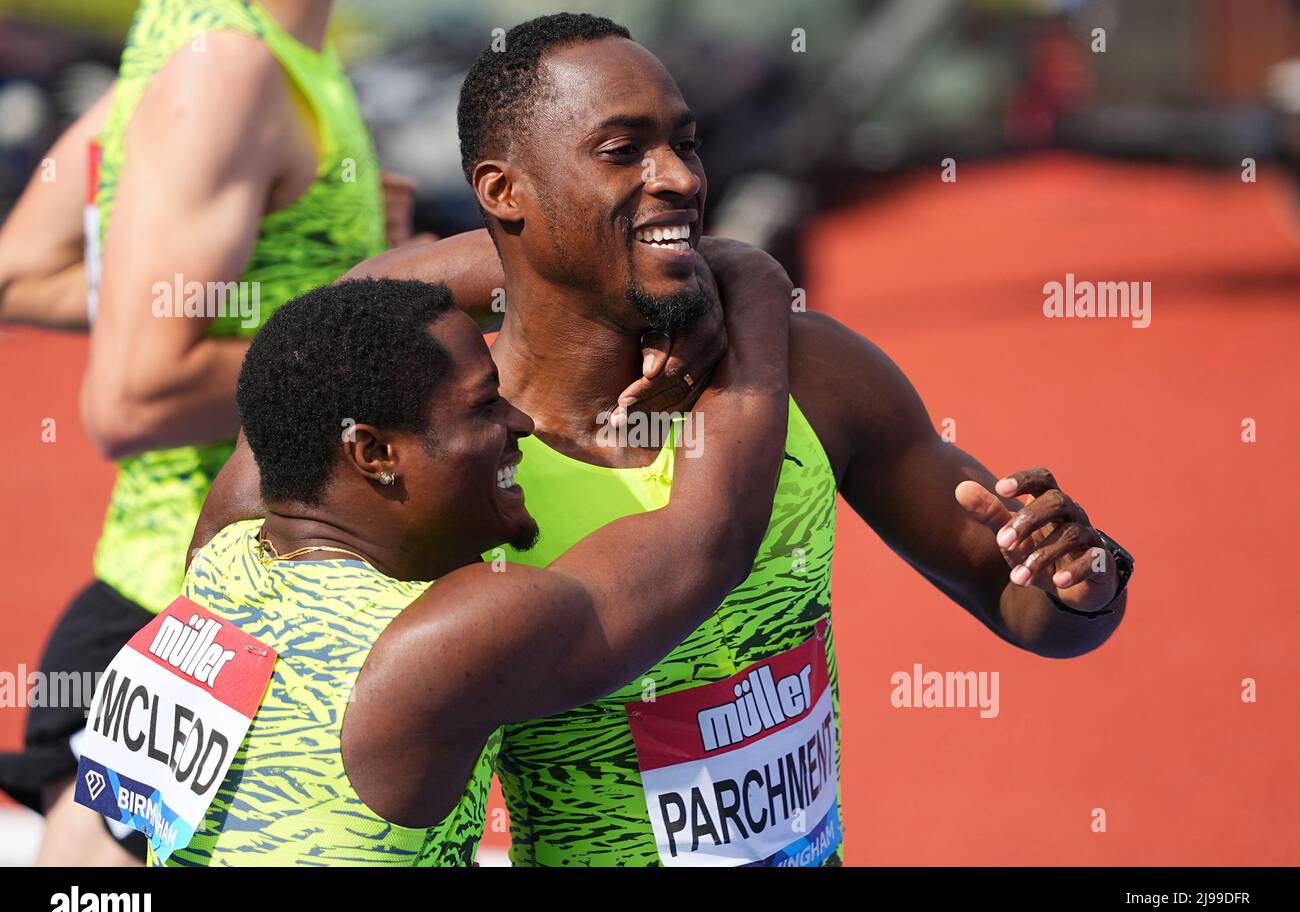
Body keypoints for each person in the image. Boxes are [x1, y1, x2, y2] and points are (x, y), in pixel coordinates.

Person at [198, 13, 1135, 867]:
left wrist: (1080, 582)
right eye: (624, 151)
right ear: (504, 190)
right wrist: (741, 270)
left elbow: (1030, 607)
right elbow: (331, 331)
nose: (682, 176)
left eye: (686, 144)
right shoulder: (440, 475)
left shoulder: (814, 374)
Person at [147, 260, 788, 865]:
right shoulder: (440, 637)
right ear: (373, 452)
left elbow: (328, 323)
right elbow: (713, 537)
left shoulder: (222, 553)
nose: (523, 422)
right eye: (485, 406)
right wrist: (746, 274)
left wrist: (644, 261)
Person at [0, 0, 402, 866]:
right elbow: (133, 399)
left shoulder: (249, 45)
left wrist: (331, 293)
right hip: (198, 624)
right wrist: (368, 327)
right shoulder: (223, 64)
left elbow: (19, 274)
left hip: (233, 612)